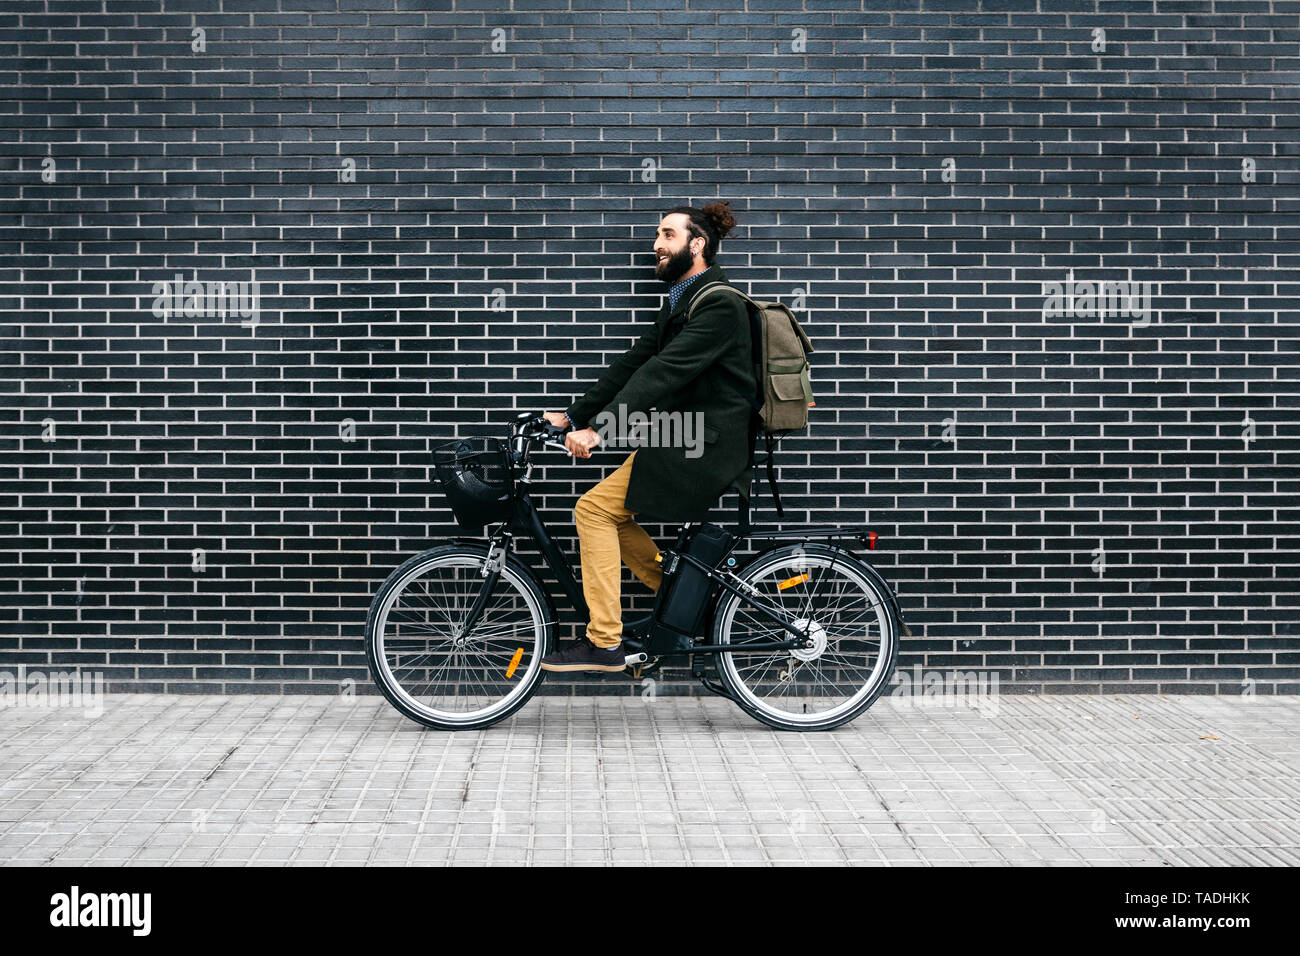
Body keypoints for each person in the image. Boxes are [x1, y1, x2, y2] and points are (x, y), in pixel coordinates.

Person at [539, 201, 757, 673]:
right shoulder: (685, 303)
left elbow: (664, 373)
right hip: (684, 437)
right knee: (608, 515)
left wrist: (599, 430)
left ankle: (604, 642)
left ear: (696, 245)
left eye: (667, 235)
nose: (656, 245)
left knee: (593, 510)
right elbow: (633, 364)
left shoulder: (719, 303)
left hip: (706, 443)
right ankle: (690, 600)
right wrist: (570, 416)